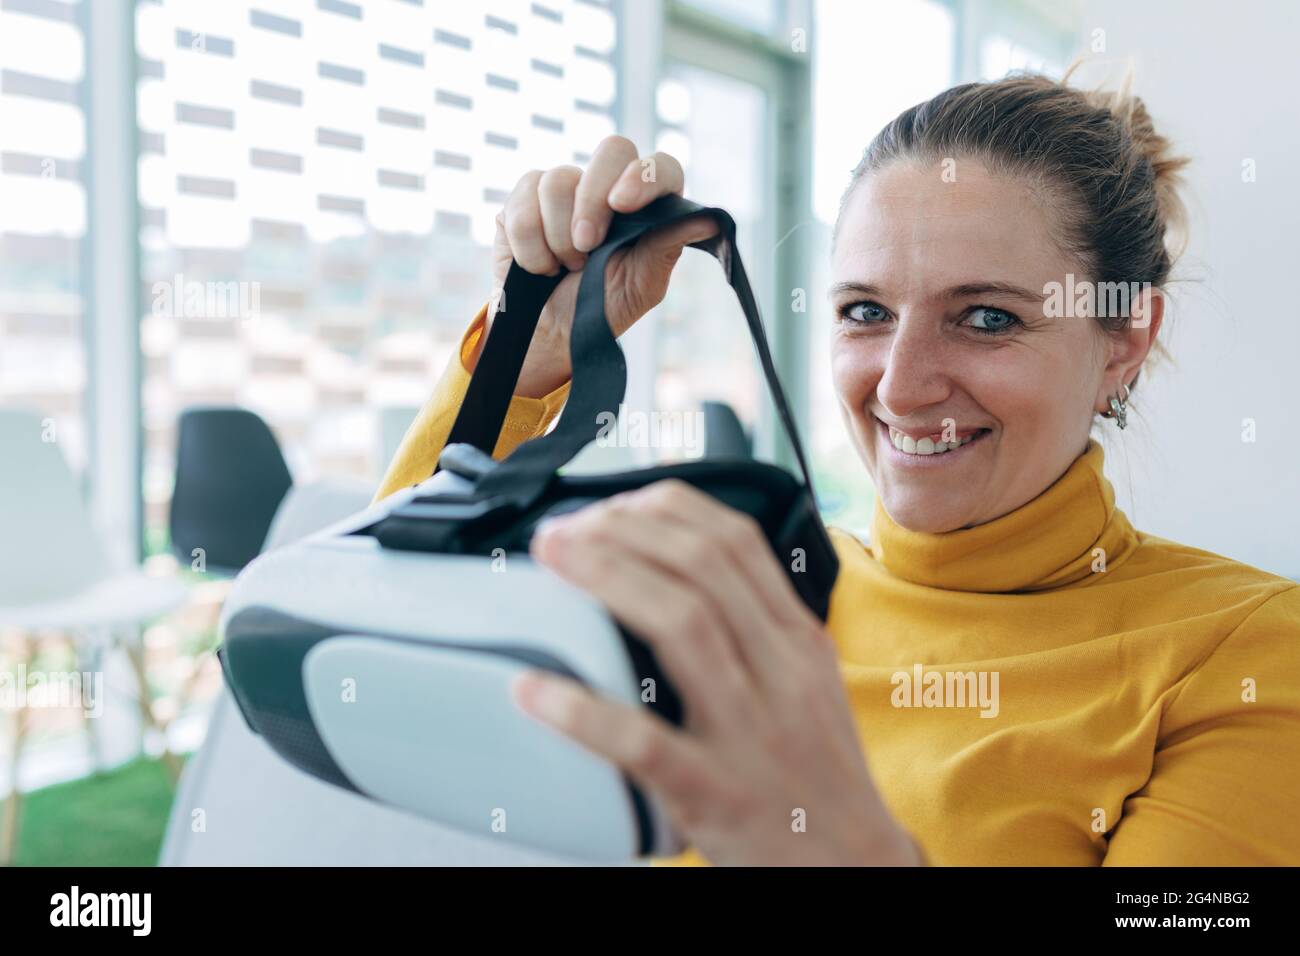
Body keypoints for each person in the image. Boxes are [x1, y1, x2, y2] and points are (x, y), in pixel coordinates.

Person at [376, 73, 1300, 866]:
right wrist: (527, 355)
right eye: (865, 312)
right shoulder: (749, 581)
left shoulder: (1249, 654)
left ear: (1124, 341)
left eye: (986, 317)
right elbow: (385, 655)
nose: (901, 385)